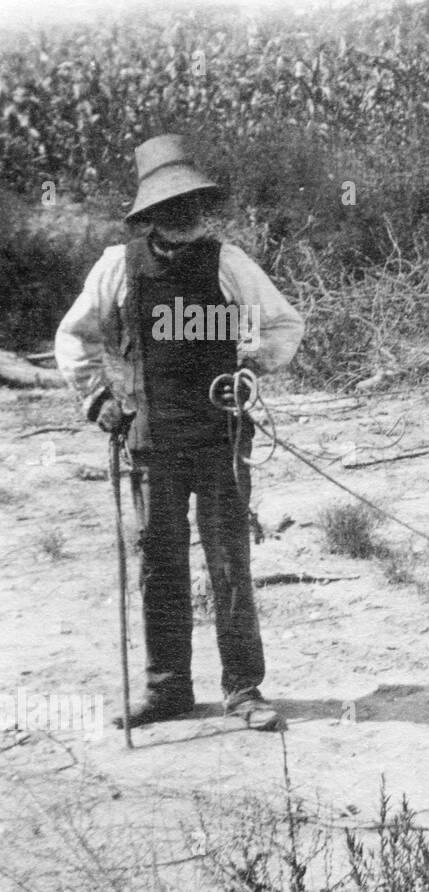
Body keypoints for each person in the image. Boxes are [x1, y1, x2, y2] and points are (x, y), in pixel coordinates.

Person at [55, 134, 305, 731]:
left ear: (202, 204)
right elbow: (75, 337)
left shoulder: (229, 262)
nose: (183, 213)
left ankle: (244, 691)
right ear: (150, 212)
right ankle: (168, 690)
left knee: (229, 563)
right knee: (160, 564)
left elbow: (281, 324)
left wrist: (250, 362)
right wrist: (98, 401)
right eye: (170, 204)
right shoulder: (119, 267)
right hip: (151, 441)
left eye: (191, 201)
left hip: (220, 437)